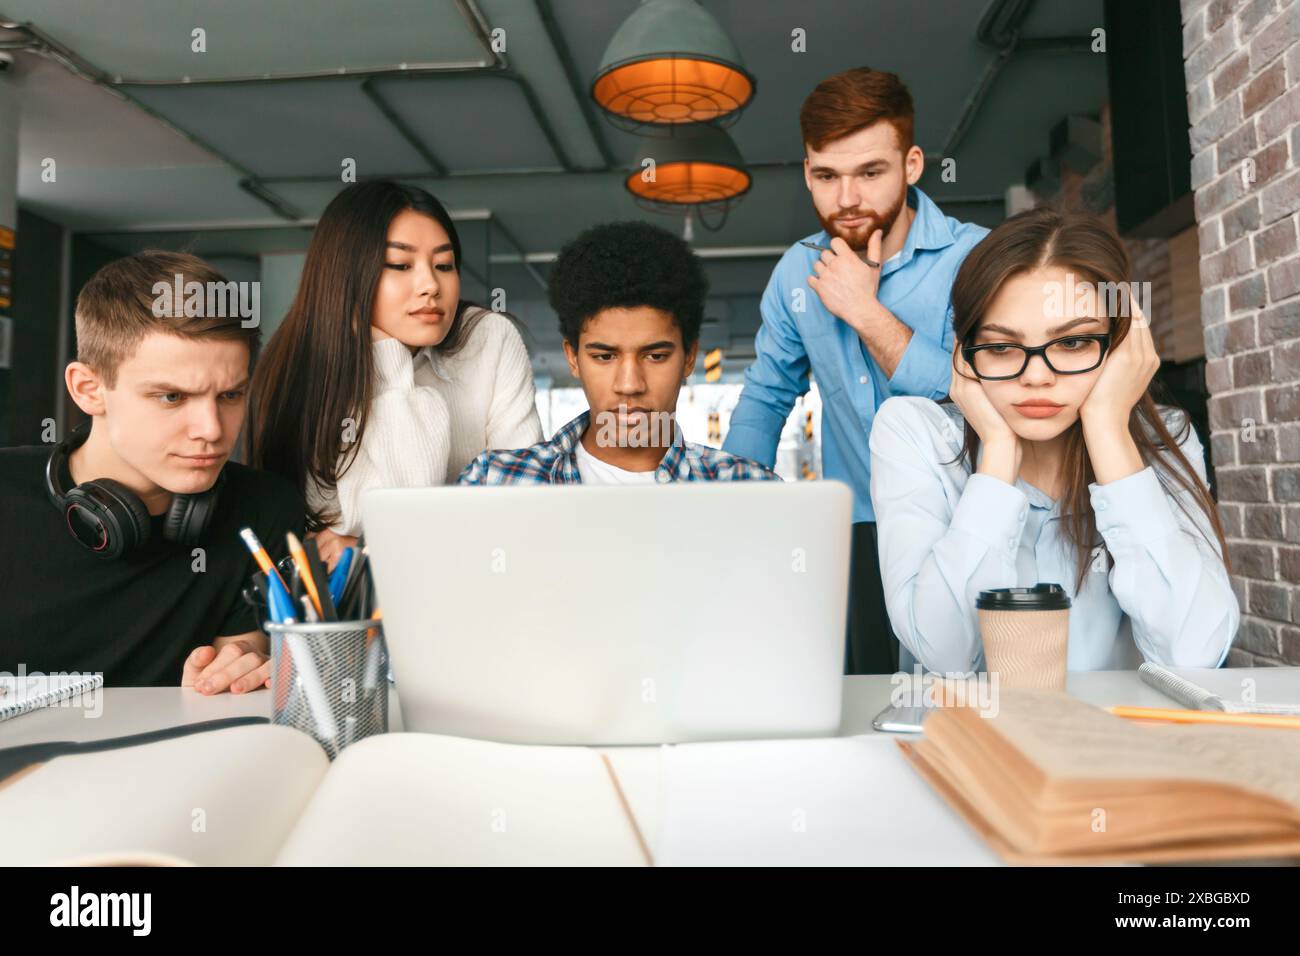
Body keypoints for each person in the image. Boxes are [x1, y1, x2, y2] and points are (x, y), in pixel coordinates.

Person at [869, 207, 1238, 674]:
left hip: (1113, 741)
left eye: (1073, 344)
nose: (1037, 377)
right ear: (964, 353)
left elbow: (1195, 654)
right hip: (973, 742)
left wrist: (1108, 430)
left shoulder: (1164, 439)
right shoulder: (915, 433)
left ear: (1121, 346)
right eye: (1001, 348)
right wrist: (998, 456)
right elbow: (945, 654)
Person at [722, 66, 988, 674]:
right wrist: (725, 509)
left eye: (870, 173)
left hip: (971, 519)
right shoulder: (796, 273)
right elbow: (766, 398)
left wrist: (866, 313)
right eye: (826, 176)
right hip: (860, 531)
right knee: (868, 701)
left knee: (973, 702)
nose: (846, 199)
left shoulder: (976, 258)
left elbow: (981, 397)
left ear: (912, 164)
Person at [0, 251, 304, 691]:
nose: (212, 430)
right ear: (89, 390)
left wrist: (240, 670)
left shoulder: (265, 509)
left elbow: (234, 679)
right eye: (172, 398)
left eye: (231, 395)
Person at [247, 181, 542, 566]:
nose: (430, 286)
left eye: (444, 265)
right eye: (401, 266)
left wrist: (376, 545)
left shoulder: (489, 338)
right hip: (351, 609)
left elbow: (524, 507)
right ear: (347, 277)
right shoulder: (298, 371)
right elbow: (339, 533)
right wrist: (387, 360)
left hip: (483, 583)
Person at [459, 221, 777, 485]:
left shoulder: (748, 487)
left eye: (655, 356)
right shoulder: (496, 481)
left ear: (689, 357)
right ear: (573, 357)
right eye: (605, 356)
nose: (629, 384)